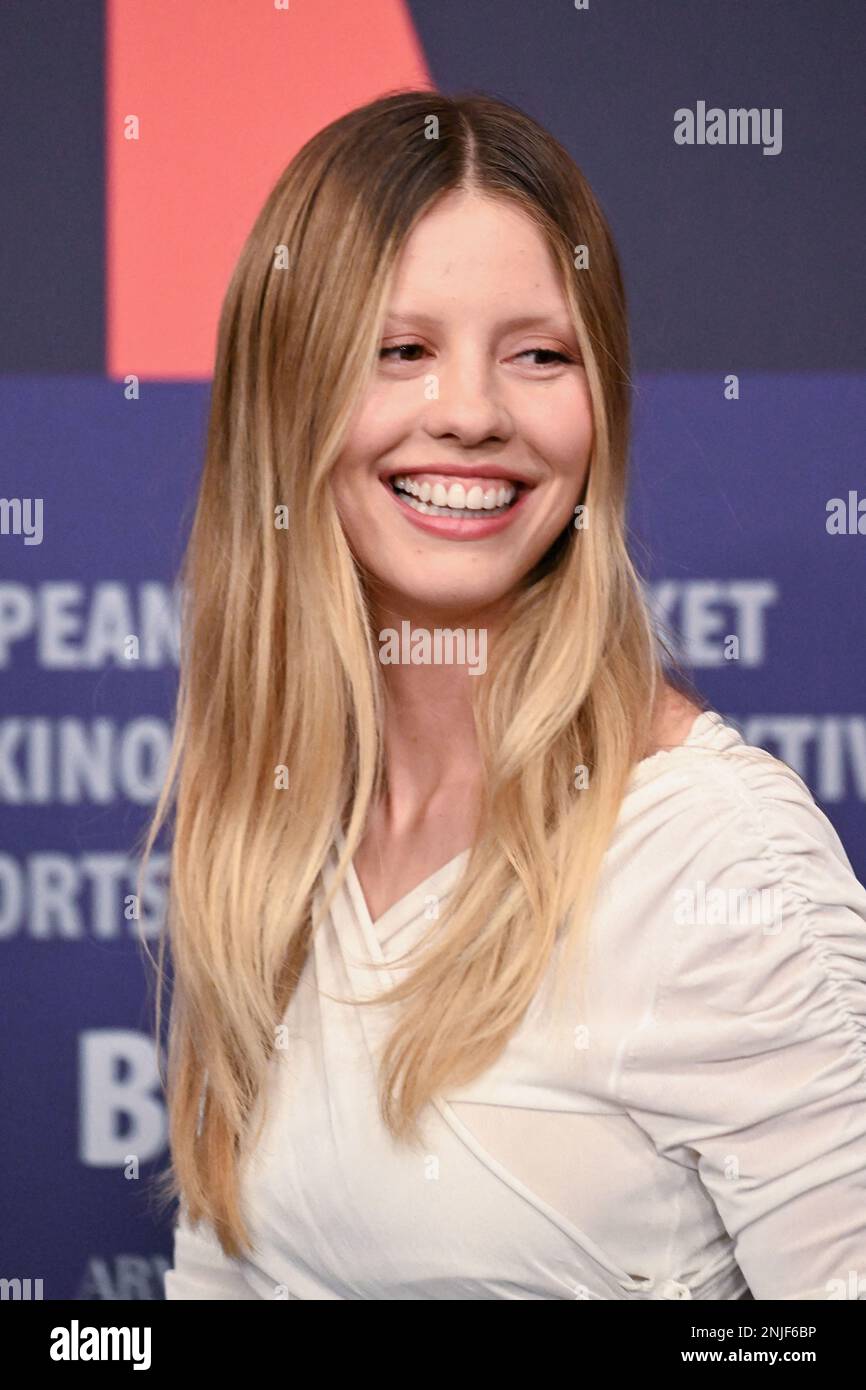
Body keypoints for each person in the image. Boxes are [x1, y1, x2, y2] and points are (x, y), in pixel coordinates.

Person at [144, 90, 866, 1300]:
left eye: (537, 353)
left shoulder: (716, 862)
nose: (471, 413)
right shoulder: (269, 829)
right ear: (287, 399)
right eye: (400, 351)